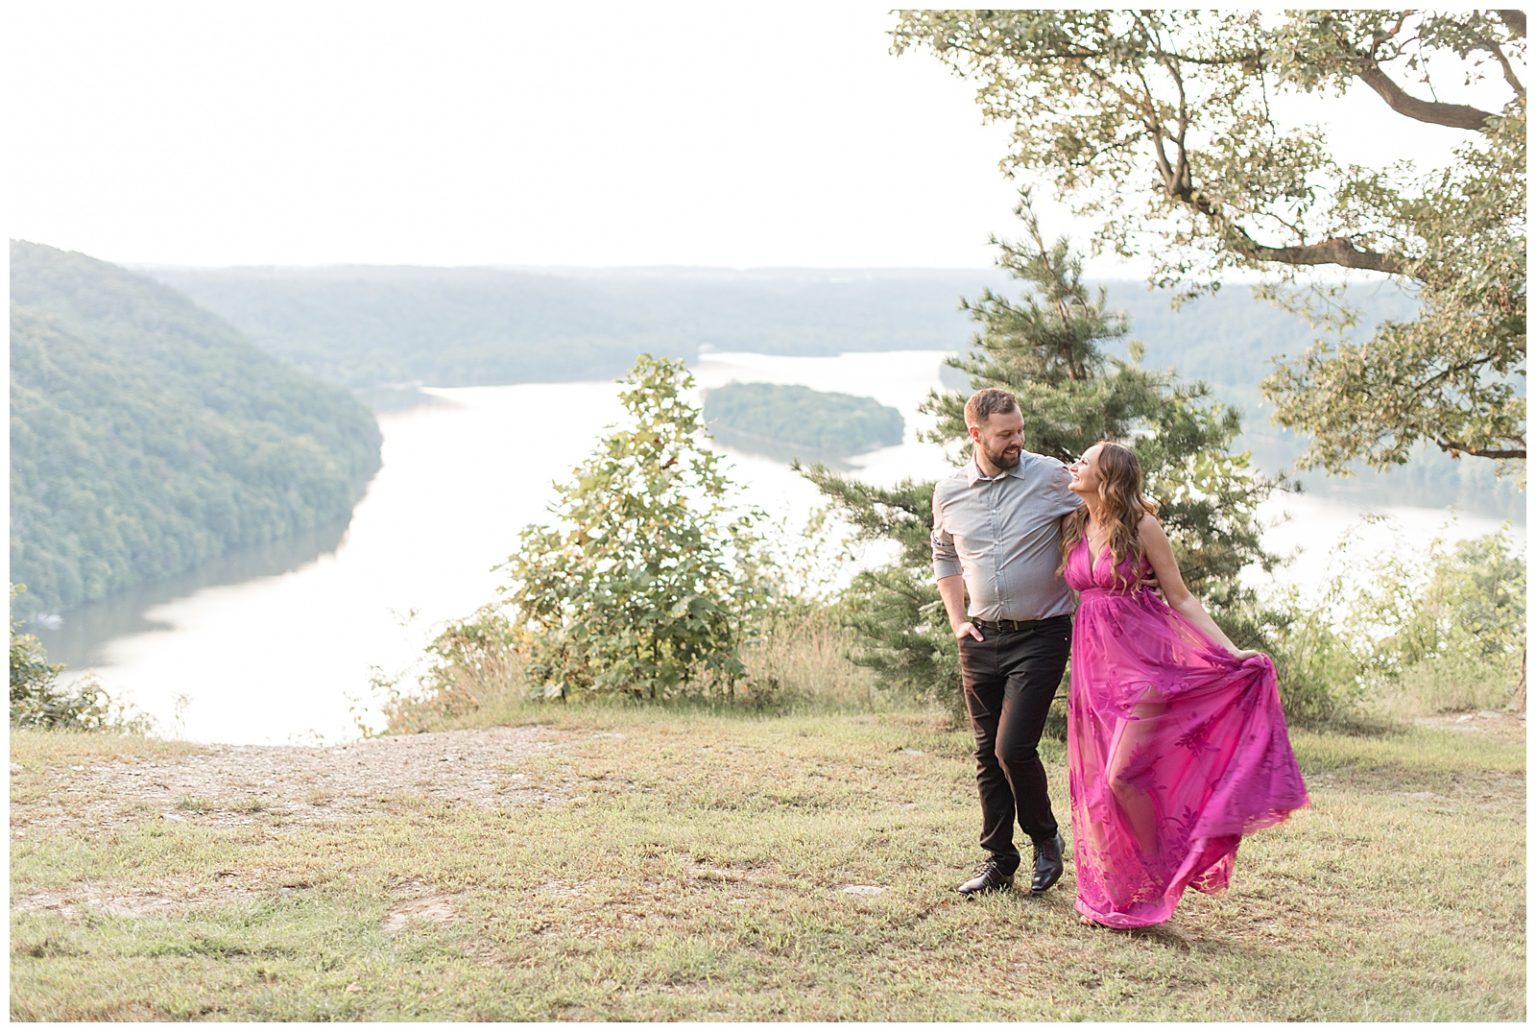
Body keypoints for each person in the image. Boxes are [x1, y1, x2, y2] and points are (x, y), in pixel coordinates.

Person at [1062, 440, 1309, 928]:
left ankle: (1160, 875)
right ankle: (1115, 892)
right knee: (1096, 786)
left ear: (1107, 477)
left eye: (1085, 462)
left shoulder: (1142, 527)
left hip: (1146, 667)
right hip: (1094, 673)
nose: (1075, 466)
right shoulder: (1073, 524)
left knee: (1121, 777)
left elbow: (1181, 597)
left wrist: (1230, 651)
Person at [931, 388, 1082, 896]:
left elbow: (1109, 502)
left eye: (1020, 430)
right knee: (984, 753)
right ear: (976, 435)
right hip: (980, 636)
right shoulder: (949, 490)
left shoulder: (1052, 476)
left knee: (1013, 747)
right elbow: (944, 556)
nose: (1018, 440)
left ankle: (1046, 840)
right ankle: (999, 860)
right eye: (1006, 434)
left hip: (1042, 633)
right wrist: (957, 620)